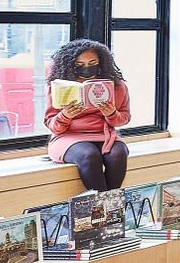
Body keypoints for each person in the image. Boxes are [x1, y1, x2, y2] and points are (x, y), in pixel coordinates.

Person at [45, 39, 132, 190]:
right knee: (89, 155)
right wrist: (65, 115)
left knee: (118, 153)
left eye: (92, 64)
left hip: (105, 135)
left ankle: (109, 206)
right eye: (80, 65)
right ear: (71, 66)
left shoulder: (116, 86)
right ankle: (104, 208)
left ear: (101, 62)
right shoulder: (60, 86)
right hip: (68, 137)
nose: (87, 69)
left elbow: (124, 118)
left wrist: (111, 113)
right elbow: (53, 126)